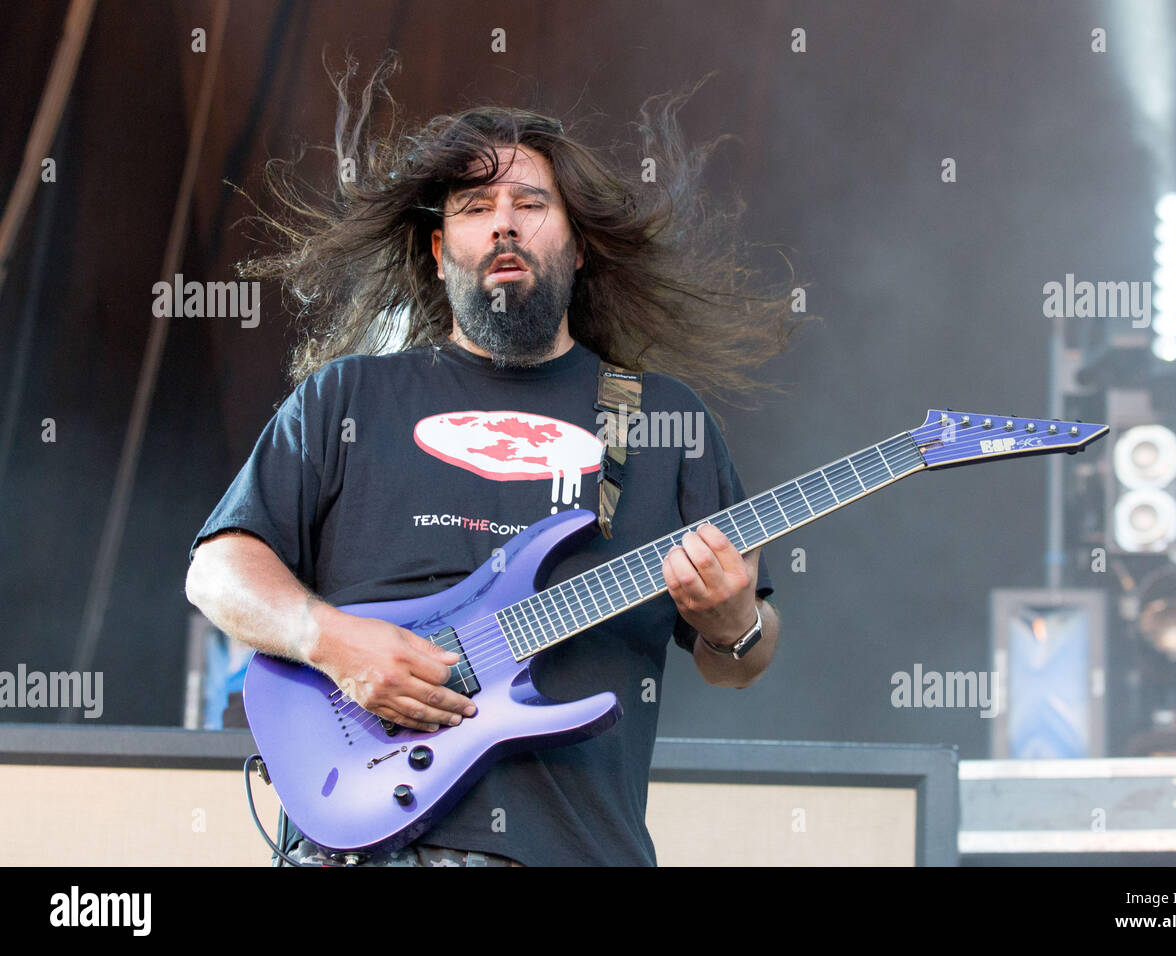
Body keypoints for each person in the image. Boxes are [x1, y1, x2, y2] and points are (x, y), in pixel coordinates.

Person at [185, 64, 800, 866]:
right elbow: (218, 571)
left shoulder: (659, 419)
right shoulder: (351, 396)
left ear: (578, 246)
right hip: (365, 841)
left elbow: (741, 665)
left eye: (531, 204)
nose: (503, 224)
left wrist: (734, 621)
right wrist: (333, 640)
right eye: (476, 209)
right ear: (442, 253)